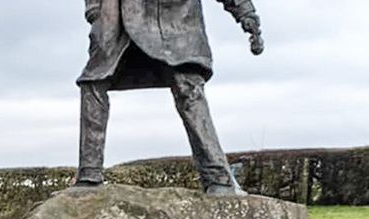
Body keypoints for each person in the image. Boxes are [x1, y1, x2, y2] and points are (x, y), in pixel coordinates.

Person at [76, 0, 264, 195]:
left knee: (188, 88)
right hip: (114, 21)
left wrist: (244, 10)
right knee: (93, 83)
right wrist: (95, 11)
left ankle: (218, 177)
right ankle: (89, 174)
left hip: (174, 19)